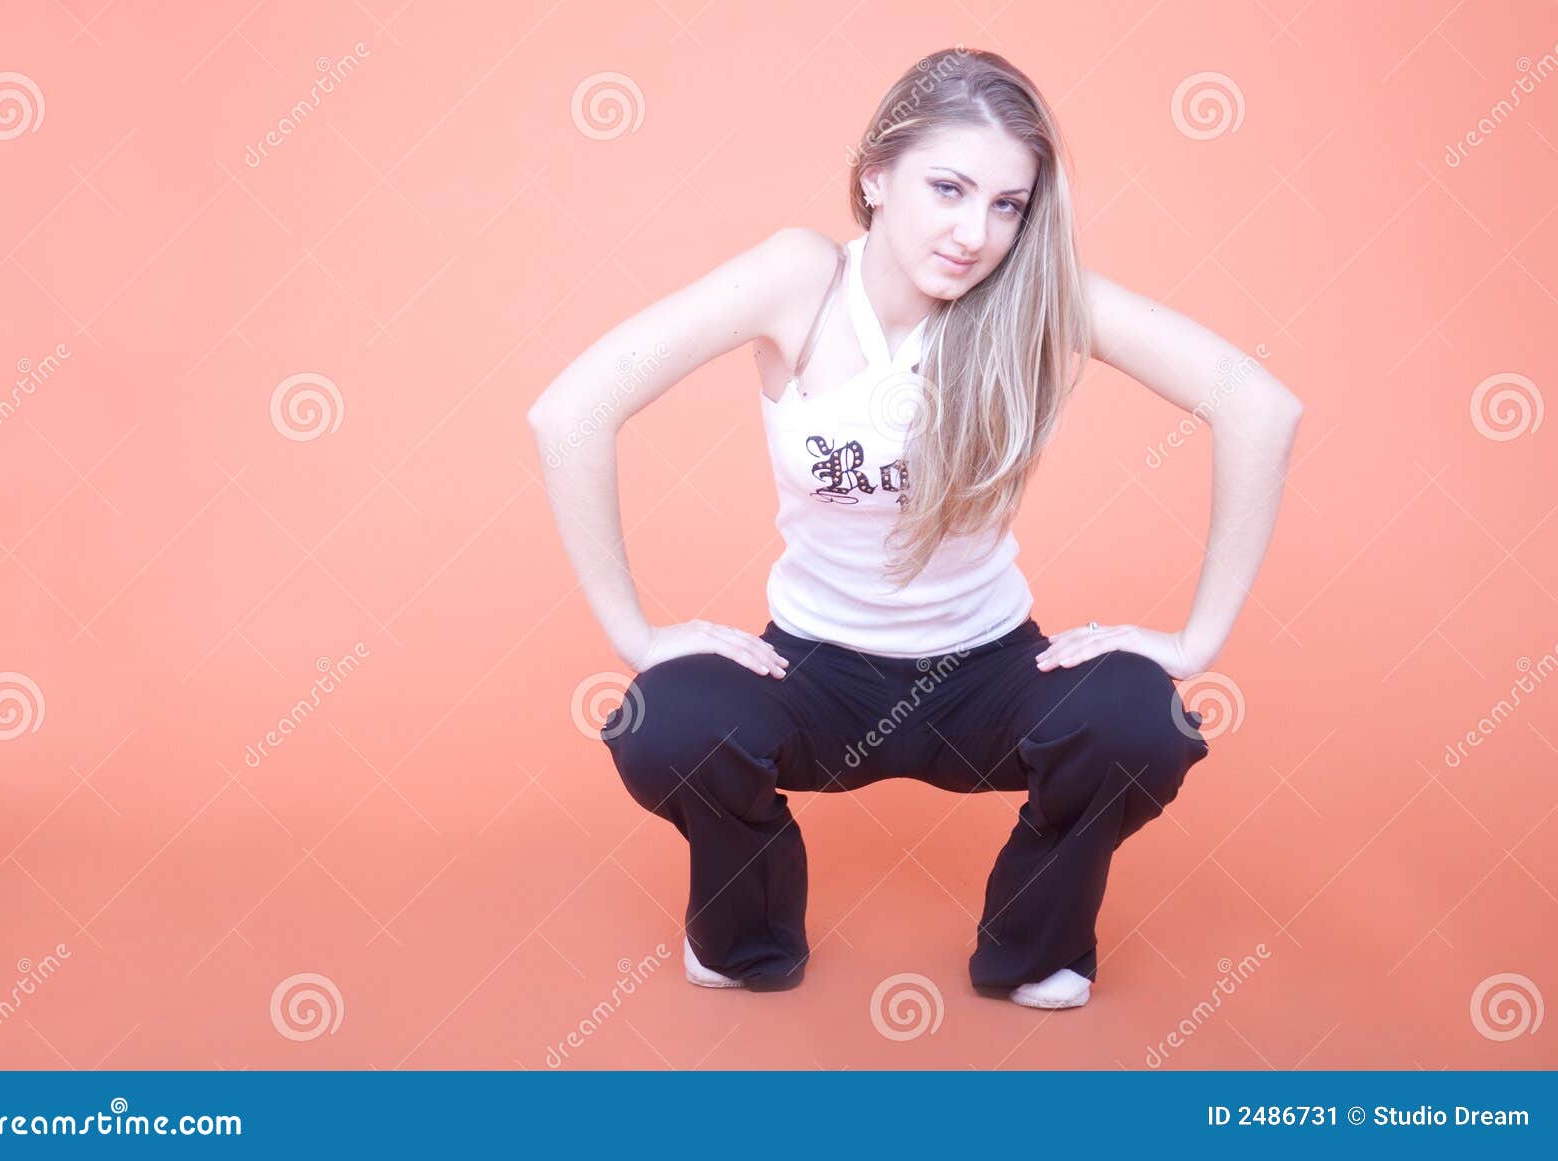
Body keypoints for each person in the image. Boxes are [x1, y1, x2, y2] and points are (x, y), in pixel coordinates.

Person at [526, 46, 1303, 1009]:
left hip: (985, 673)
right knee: (664, 719)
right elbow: (572, 412)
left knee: (1140, 719)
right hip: (811, 674)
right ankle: (746, 931)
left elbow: (1258, 407)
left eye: (1007, 204)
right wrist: (636, 636)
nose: (975, 232)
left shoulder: (1033, 296)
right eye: (949, 187)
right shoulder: (797, 278)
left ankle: (1036, 942)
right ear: (876, 175)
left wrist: (1198, 641)